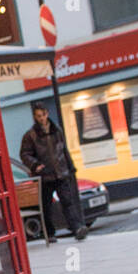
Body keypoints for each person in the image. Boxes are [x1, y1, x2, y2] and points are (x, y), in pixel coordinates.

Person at [20, 102, 87, 243]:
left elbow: (64, 150)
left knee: (68, 202)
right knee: (46, 206)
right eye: (39, 116)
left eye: (43, 115)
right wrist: (35, 165)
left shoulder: (57, 130)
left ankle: (77, 228)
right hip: (44, 176)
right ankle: (50, 233)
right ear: (35, 117)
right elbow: (25, 154)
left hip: (60, 173)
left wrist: (71, 167)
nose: (42, 118)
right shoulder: (30, 135)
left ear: (47, 113)